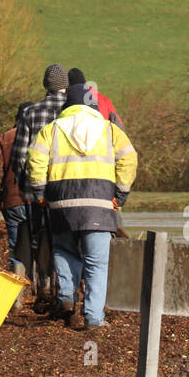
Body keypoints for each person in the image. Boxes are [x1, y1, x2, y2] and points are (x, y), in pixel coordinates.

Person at [27, 81, 137, 332]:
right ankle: (93, 318)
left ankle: (66, 296)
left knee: (64, 251)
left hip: (61, 203)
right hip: (99, 204)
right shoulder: (110, 130)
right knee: (97, 263)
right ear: (93, 104)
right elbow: (129, 159)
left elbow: (35, 161)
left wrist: (40, 193)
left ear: (69, 103)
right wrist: (120, 194)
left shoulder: (51, 130)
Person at [10, 64, 70, 309]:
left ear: (45, 85)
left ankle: (41, 286)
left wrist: (25, 184)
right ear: (65, 86)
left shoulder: (31, 112)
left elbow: (19, 156)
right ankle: (61, 289)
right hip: (66, 187)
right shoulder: (72, 112)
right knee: (63, 237)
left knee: (38, 235)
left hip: (37, 189)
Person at [0, 104, 30, 268]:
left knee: (16, 248)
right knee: (39, 245)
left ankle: (19, 290)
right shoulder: (44, 135)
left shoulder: (4, 139)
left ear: (16, 119)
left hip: (13, 200)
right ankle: (40, 287)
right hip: (39, 200)